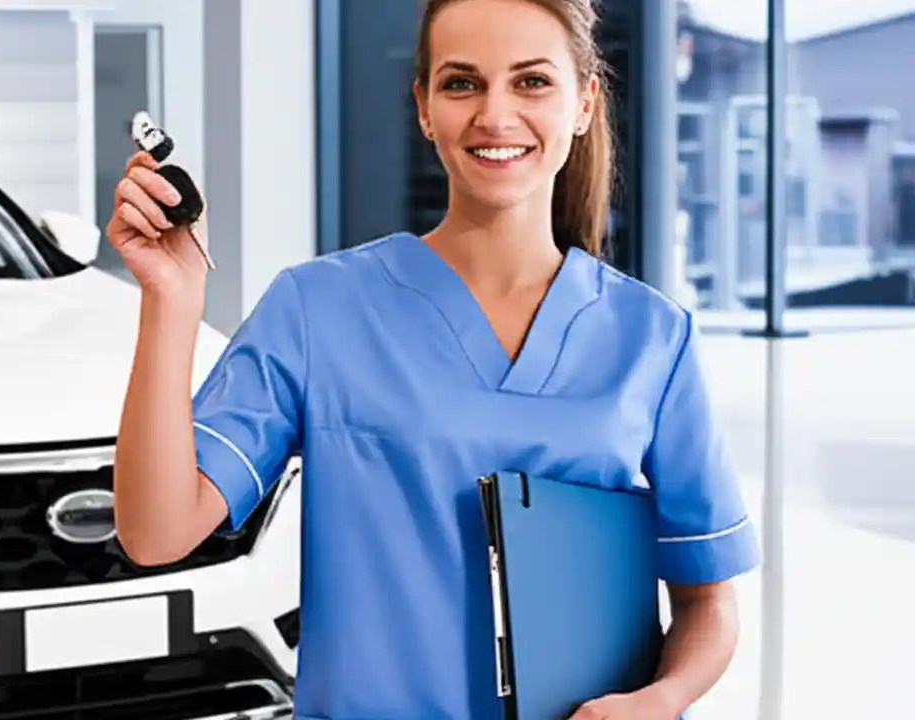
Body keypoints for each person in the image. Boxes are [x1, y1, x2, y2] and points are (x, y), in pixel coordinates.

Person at [106, 0, 761, 717]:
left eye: (532, 82)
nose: (496, 114)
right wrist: (172, 300)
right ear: (423, 107)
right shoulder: (318, 309)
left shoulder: (651, 337)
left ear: (584, 103)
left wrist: (660, 701)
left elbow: (708, 599)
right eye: (461, 83)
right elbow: (156, 532)